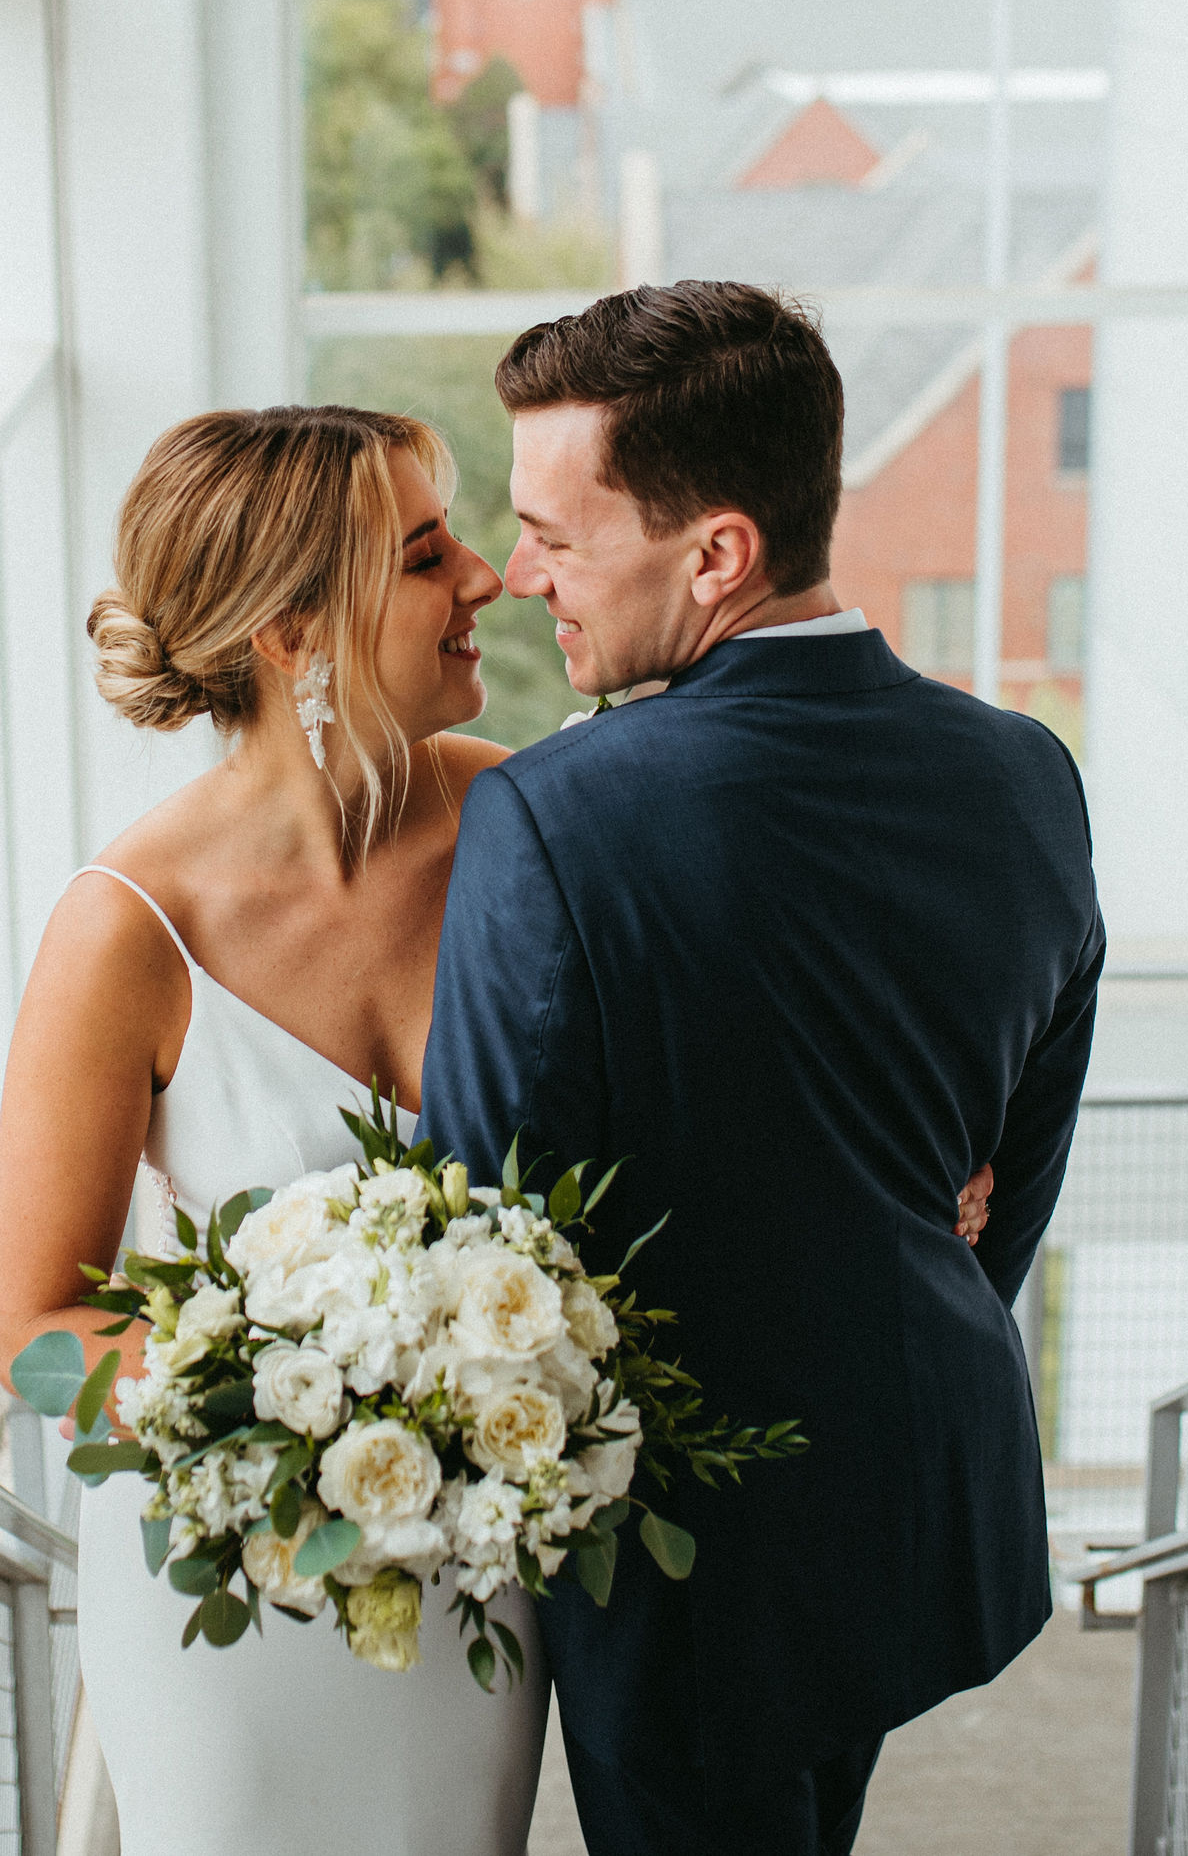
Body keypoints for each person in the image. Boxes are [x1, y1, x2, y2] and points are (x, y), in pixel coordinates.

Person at [423, 283, 1102, 1856]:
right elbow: (1018, 1165)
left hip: (681, 1556)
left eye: (557, 536)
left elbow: (485, 1221)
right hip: (919, 1492)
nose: (519, 575)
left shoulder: (557, 816)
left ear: (717, 552)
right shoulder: (1027, 775)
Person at [0, 405, 550, 1855]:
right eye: (425, 555)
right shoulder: (127, 931)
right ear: (295, 633)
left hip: (470, 1575)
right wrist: (299, 1413)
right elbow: (32, 1330)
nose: (485, 577)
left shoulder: (527, 826)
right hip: (234, 1582)